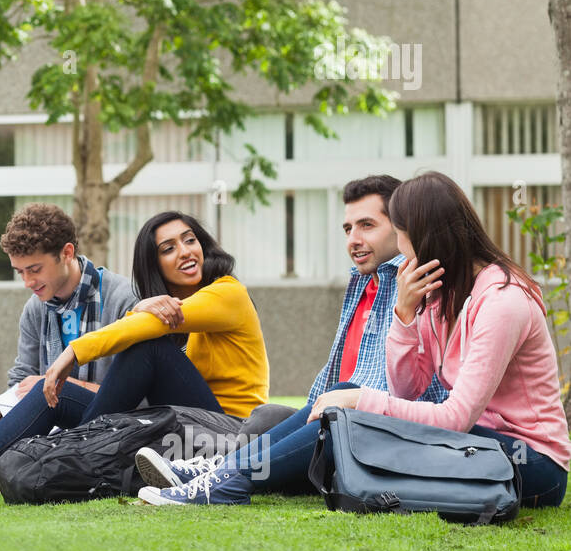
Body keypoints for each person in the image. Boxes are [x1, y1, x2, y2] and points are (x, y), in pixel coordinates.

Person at [140, 171, 569, 507]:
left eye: (398, 232)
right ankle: (224, 476)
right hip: (474, 445)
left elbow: (454, 415)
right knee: (342, 400)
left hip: (527, 462)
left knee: (348, 414)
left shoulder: (502, 302)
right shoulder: (440, 296)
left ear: (424, 234)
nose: (400, 247)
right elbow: (407, 388)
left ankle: (228, 481)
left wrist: (359, 403)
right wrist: (404, 315)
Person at [0, 208, 267, 497]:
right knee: (51, 391)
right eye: (168, 248)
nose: (183, 252)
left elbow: (144, 342)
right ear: (155, 262)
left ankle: (69, 456)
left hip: (229, 432)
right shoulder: (166, 307)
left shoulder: (226, 293)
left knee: (146, 349)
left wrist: (71, 355)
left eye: (189, 240)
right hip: (177, 422)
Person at [134, 174, 447, 487]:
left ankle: (223, 479)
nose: (353, 239)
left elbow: (396, 389)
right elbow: (332, 378)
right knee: (268, 417)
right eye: (348, 229)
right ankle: (220, 469)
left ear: (401, 227)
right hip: (337, 414)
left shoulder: (417, 286)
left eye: (367, 225)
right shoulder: (363, 284)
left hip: (376, 425)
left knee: (328, 415)